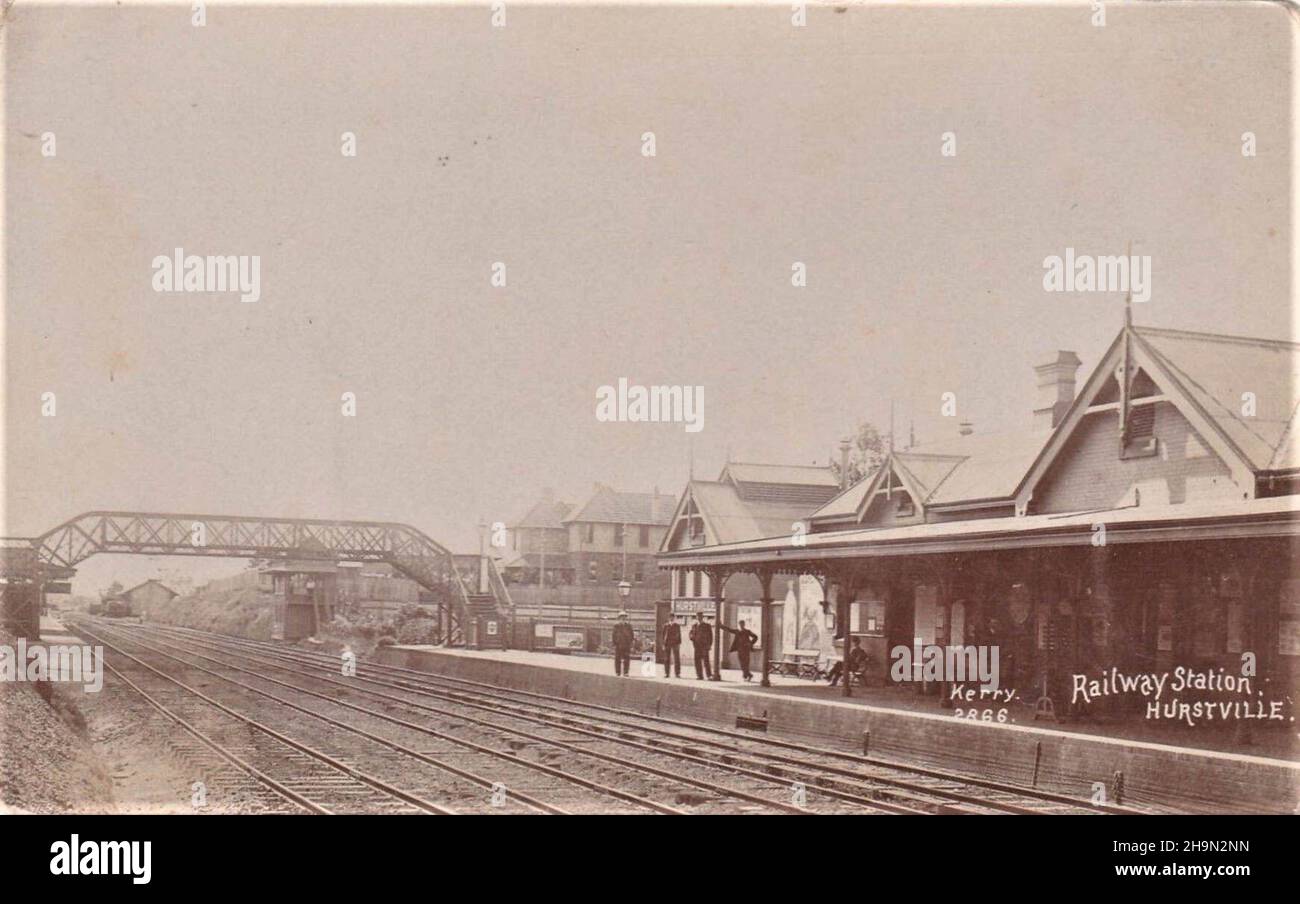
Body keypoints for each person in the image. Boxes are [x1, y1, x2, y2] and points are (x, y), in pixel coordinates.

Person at [688, 612, 713, 680]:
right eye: (698, 617)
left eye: (700, 617)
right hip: (696, 646)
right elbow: (691, 633)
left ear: (702, 617)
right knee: (697, 661)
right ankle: (699, 675)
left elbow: (710, 636)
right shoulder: (694, 626)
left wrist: (709, 645)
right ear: (696, 617)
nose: (699, 618)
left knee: (706, 661)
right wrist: (691, 637)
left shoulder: (707, 626)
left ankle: (709, 675)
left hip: (704, 646)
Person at [612, 611, 634, 677]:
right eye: (621, 617)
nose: (623, 619)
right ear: (619, 618)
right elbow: (613, 635)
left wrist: (630, 643)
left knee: (626, 659)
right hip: (618, 645)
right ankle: (618, 672)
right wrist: (615, 643)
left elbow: (632, 635)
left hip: (626, 645)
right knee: (617, 659)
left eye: (624, 617)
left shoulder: (629, 626)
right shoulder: (616, 626)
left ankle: (626, 672)